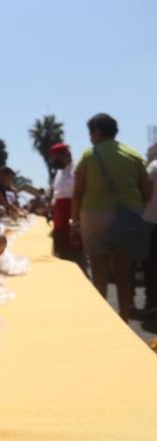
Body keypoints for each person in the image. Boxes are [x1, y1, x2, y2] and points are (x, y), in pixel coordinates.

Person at [70, 113, 151, 320]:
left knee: (100, 275)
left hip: (94, 216)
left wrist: (74, 221)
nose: (90, 137)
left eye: (90, 132)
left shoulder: (89, 155)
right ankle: (124, 317)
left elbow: (77, 192)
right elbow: (147, 192)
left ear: (97, 132)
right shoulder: (134, 155)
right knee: (124, 276)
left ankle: (102, 322)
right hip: (129, 218)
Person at [49, 143, 83, 265]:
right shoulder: (59, 172)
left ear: (65, 155)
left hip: (71, 218)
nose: (54, 161)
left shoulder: (76, 171)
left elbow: (77, 196)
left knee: (75, 257)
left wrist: (74, 222)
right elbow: (56, 195)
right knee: (62, 256)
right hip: (59, 221)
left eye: (55, 158)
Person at [140, 145, 157, 316]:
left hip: (150, 222)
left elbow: (146, 194)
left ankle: (152, 301)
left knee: (151, 265)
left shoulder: (152, 167)